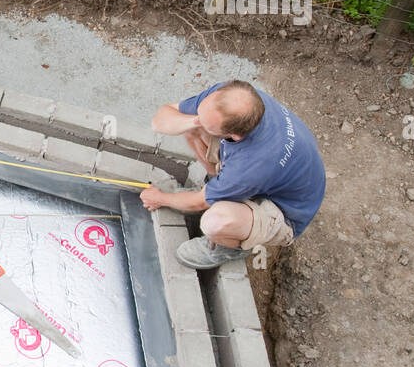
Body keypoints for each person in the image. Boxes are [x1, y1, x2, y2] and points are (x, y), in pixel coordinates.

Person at [139, 79, 325, 269]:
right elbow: (161, 119)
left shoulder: (252, 165)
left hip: (286, 211)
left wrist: (160, 198)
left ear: (235, 136)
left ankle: (230, 246)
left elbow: (198, 202)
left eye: (205, 119)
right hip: (274, 175)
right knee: (191, 127)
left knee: (215, 221)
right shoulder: (233, 97)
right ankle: (216, 185)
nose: (200, 116)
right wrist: (196, 121)